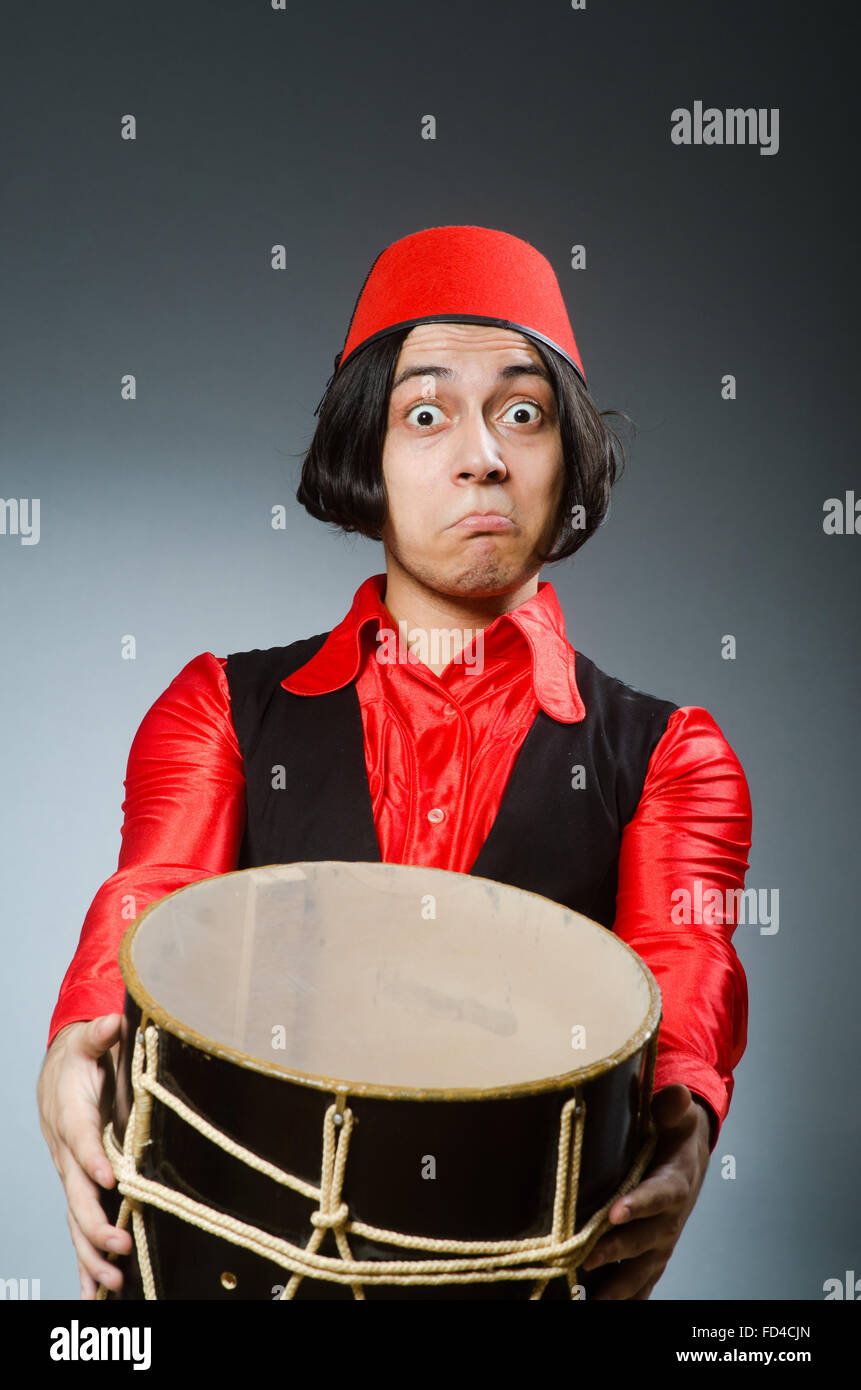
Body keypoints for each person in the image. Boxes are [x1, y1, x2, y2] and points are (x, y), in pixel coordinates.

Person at [37, 224, 752, 1300]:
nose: (485, 454)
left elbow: (682, 978)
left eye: (524, 411)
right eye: (428, 413)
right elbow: (150, 901)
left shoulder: (670, 756)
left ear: (568, 459)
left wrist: (688, 1116)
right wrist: (73, 1046)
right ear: (365, 451)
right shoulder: (222, 709)